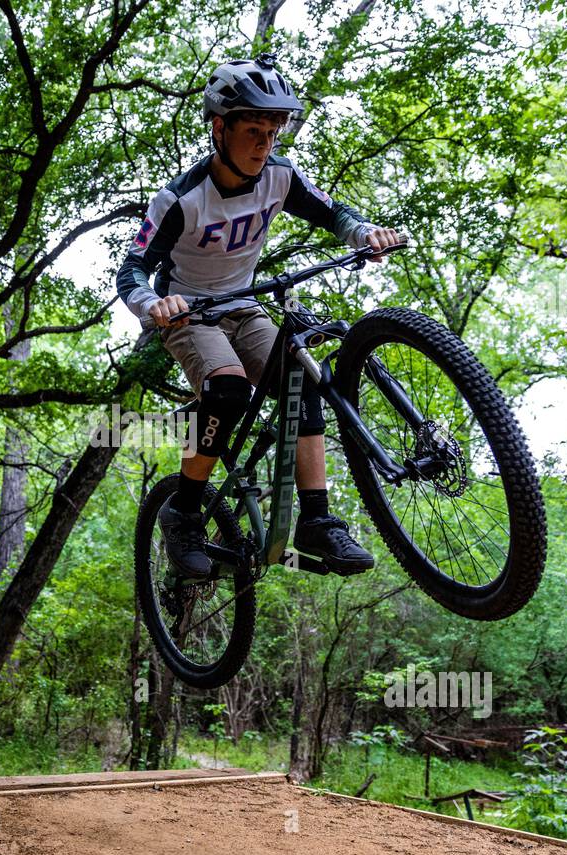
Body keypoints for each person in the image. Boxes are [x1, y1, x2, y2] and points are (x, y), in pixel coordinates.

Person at [116, 53, 402, 577]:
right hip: (191, 314)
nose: (264, 143)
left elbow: (334, 212)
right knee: (226, 390)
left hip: (245, 305)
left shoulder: (280, 176)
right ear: (219, 128)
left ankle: (316, 521)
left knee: (303, 377)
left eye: (273, 130)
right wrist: (155, 305)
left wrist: (365, 234)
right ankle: (182, 513)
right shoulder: (180, 200)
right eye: (253, 129)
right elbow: (131, 270)